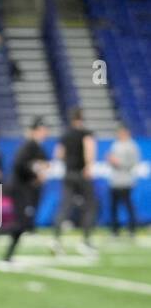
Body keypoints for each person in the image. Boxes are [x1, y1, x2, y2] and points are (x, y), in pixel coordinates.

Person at [0, 119, 48, 262]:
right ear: (36, 130)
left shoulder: (38, 147)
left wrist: (41, 171)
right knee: (21, 224)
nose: (45, 133)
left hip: (26, 189)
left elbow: (44, 164)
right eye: (43, 130)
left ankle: (7, 255)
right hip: (19, 189)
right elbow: (19, 165)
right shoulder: (29, 146)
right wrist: (35, 174)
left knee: (23, 225)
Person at [55, 108, 97, 255]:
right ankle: (85, 241)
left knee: (65, 207)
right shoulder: (85, 134)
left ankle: (56, 240)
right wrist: (88, 166)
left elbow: (59, 154)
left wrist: (68, 162)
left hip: (68, 173)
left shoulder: (66, 135)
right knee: (90, 206)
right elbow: (89, 149)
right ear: (81, 118)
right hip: (81, 173)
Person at [105, 125, 141, 236]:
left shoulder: (132, 146)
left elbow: (133, 163)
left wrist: (118, 162)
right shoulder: (115, 144)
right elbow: (110, 161)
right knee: (113, 207)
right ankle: (115, 230)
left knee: (128, 206)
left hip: (126, 181)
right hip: (114, 181)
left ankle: (132, 229)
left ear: (126, 132)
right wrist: (110, 160)